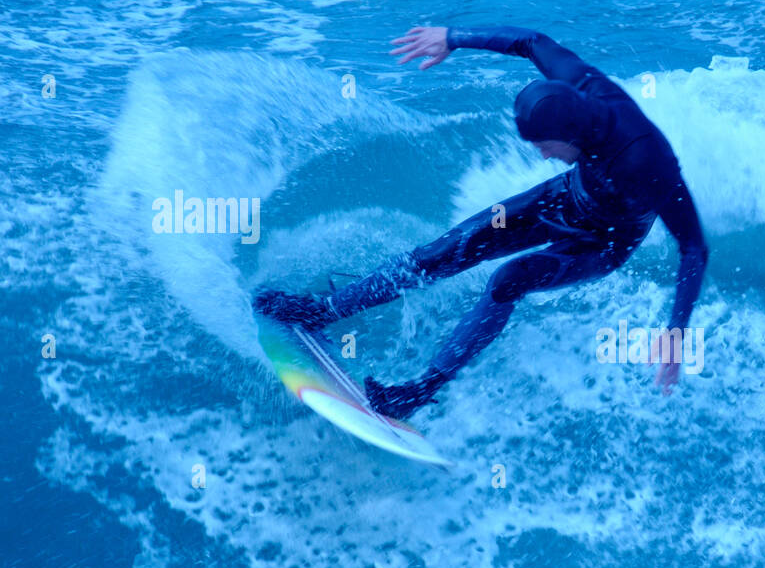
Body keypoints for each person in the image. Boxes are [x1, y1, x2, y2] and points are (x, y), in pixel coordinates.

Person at [254, 24, 708, 420]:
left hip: (605, 240)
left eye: (546, 145)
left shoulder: (647, 159)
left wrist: (675, 331)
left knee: (507, 280)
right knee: (444, 251)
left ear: (573, 133)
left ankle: (418, 392)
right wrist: (452, 38)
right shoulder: (579, 83)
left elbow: (694, 247)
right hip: (568, 199)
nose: (542, 154)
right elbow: (531, 41)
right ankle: (322, 312)